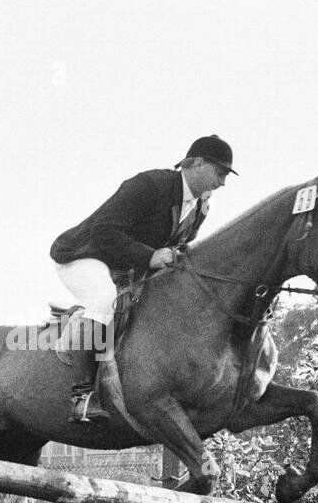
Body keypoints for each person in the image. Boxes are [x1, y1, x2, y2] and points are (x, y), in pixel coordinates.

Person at [49, 135, 237, 424]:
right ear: (198, 163)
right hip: (83, 255)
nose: (222, 182)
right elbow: (104, 231)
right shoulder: (149, 185)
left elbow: (177, 249)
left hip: (125, 267)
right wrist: (150, 256)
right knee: (103, 301)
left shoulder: (201, 208)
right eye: (220, 172)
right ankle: (81, 398)